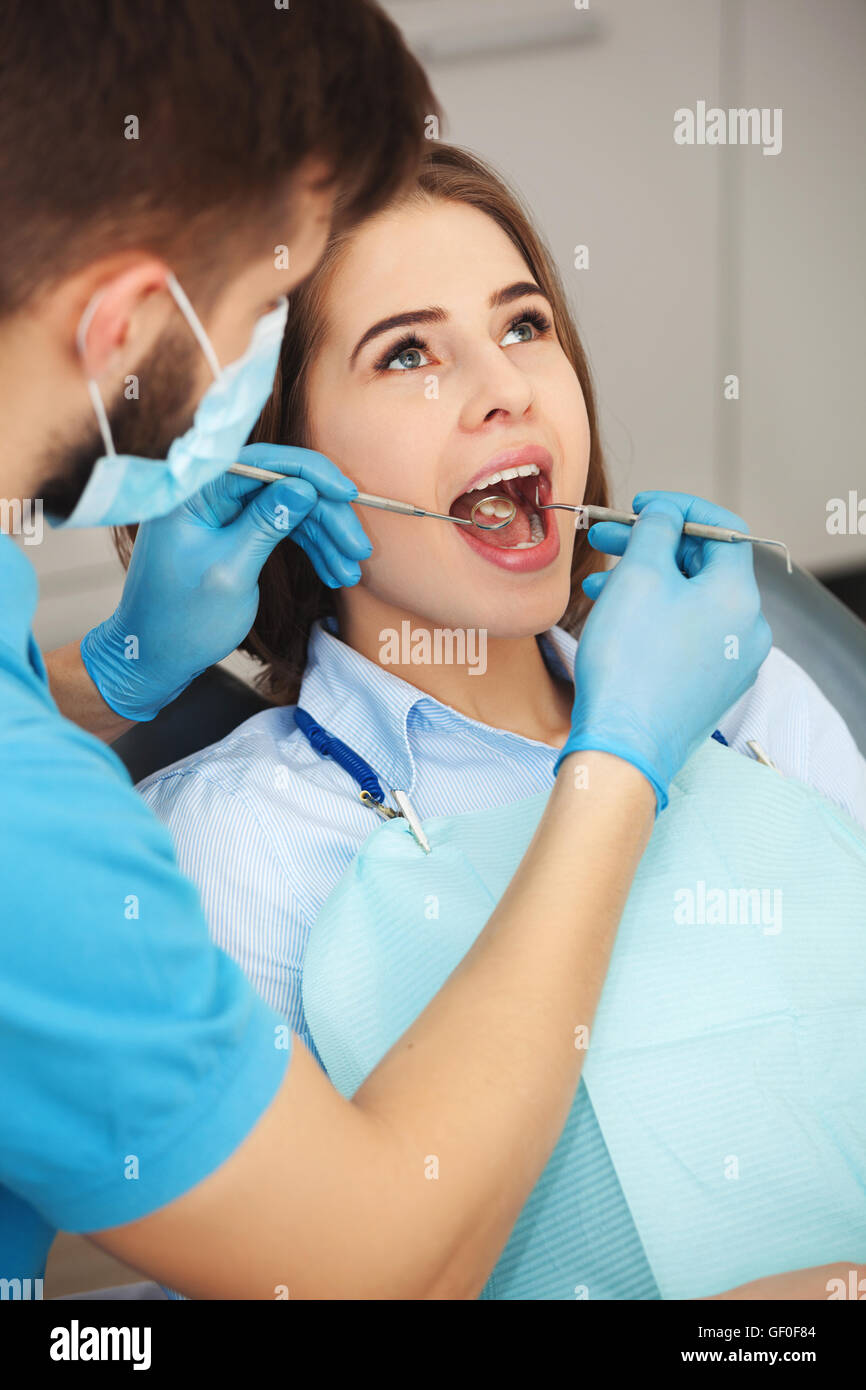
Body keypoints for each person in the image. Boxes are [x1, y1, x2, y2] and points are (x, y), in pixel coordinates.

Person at [0, 1, 850, 1302]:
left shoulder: (760, 705)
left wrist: (114, 671)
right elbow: (359, 1267)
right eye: (404, 353)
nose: (503, 387)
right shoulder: (227, 842)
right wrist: (620, 762)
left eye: (523, 325)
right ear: (282, 444)